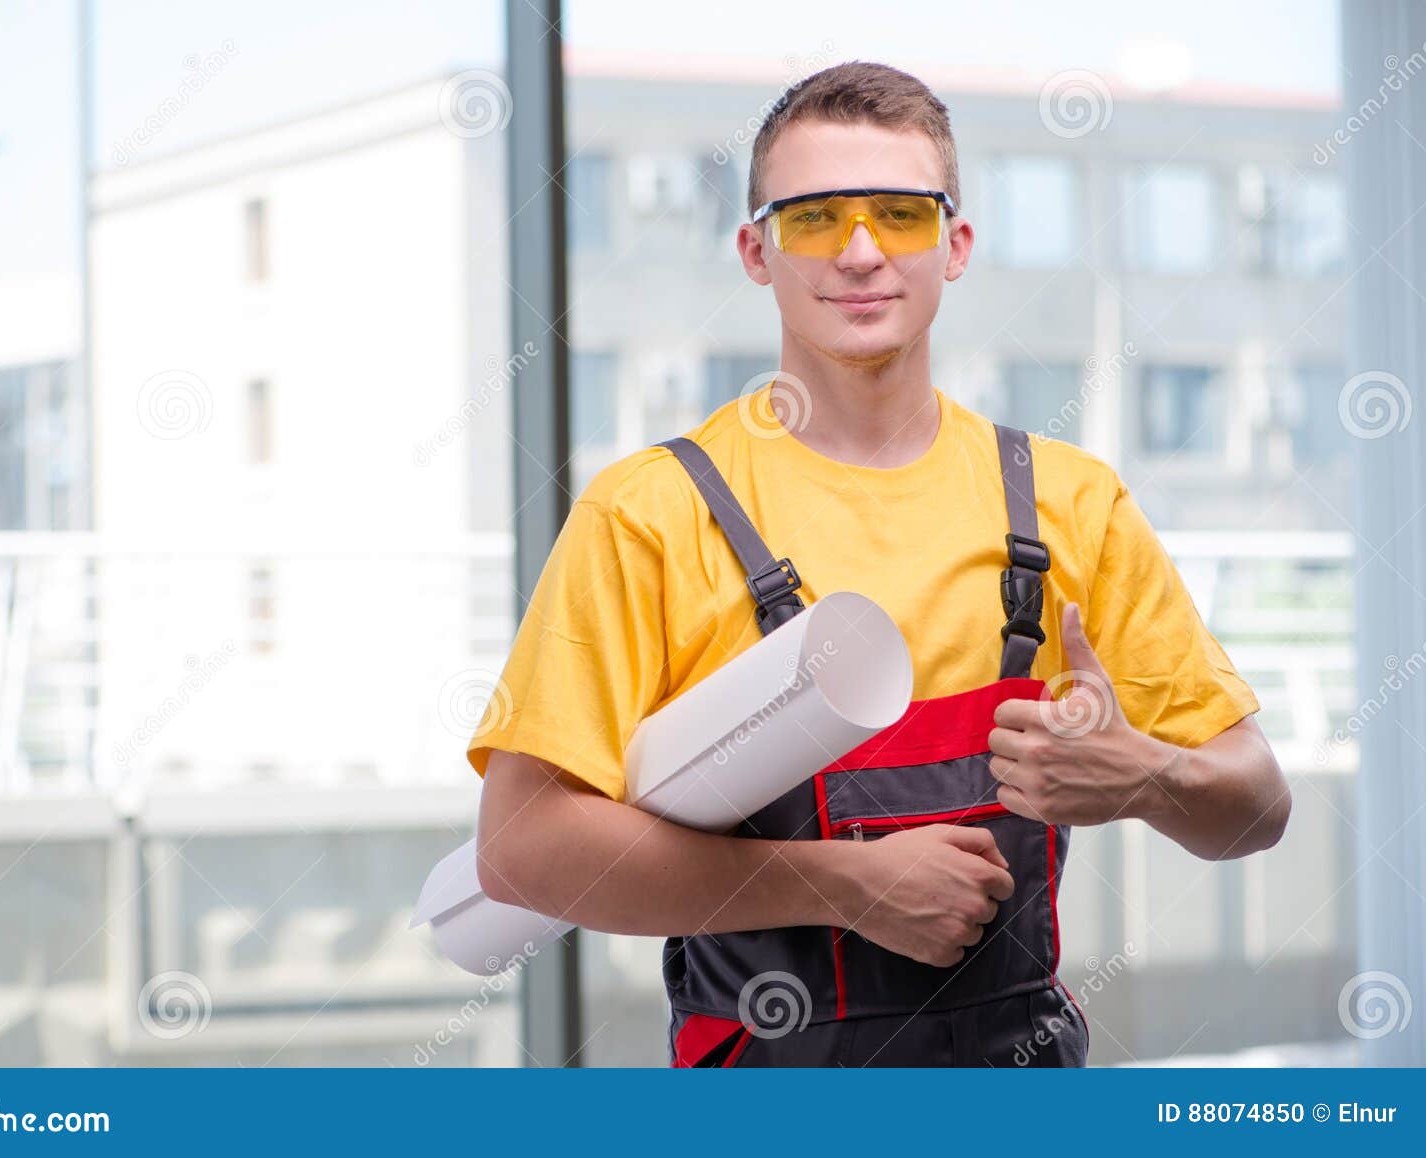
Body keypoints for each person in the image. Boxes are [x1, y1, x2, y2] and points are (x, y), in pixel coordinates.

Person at [466, 60, 1290, 1068]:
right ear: (753, 251)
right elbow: (521, 850)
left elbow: (1256, 805)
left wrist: (1147, 778)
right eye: (813, 218)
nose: (859, 252)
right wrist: (841, 883)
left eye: (899, 214)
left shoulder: (1071, 503)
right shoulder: (650, 514)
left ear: (956, 245)